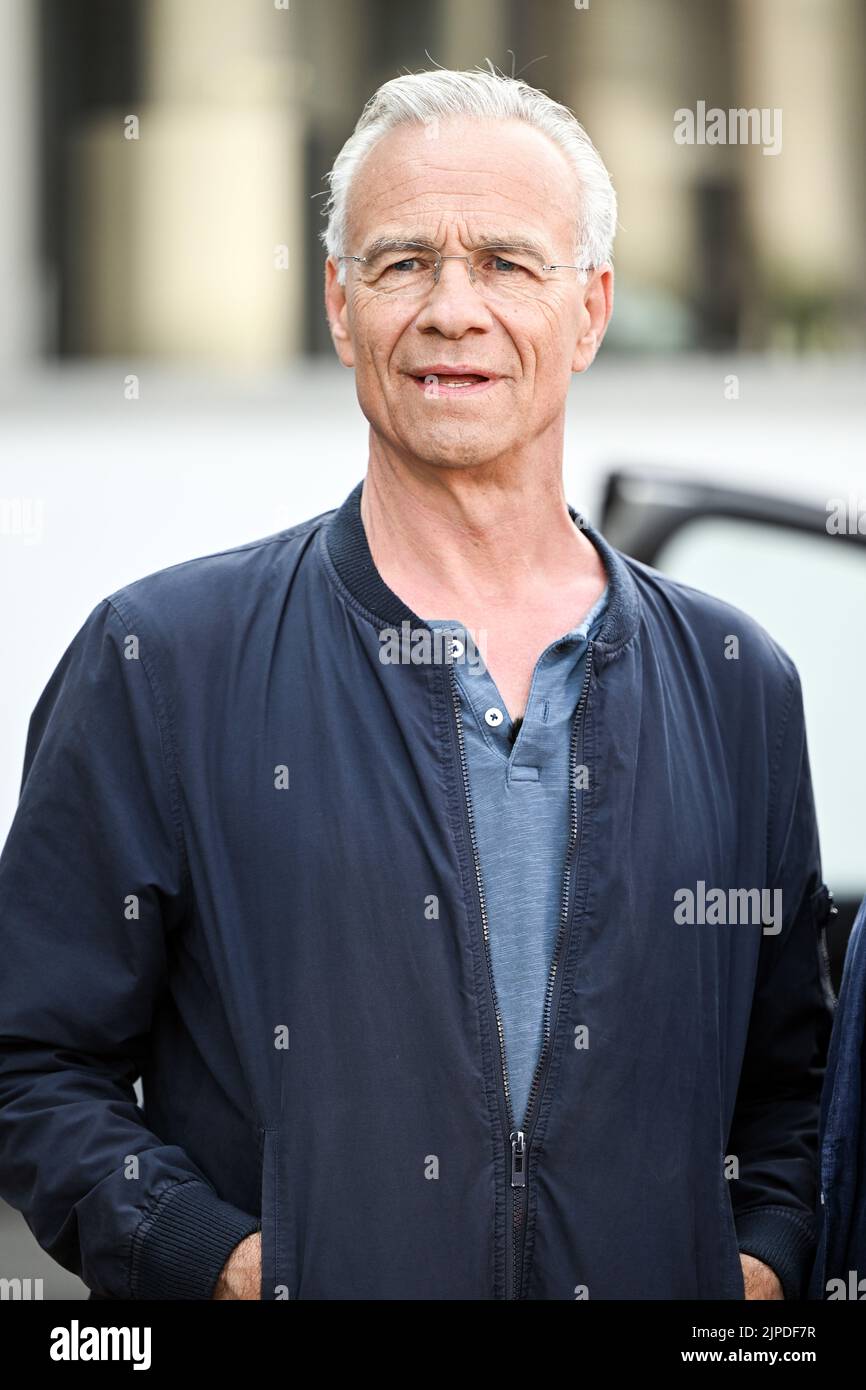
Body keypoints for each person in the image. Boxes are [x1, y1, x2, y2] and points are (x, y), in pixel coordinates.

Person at [0, 66, 835, 1301]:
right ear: (340, 307)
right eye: (402, 264)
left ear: (591, 308)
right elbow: (32, 1060)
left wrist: (753, 1273)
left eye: (506, 262)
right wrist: (228, 1265)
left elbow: (797, 1088)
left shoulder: (736, 687)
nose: (453, 309)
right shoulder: (161, 661)